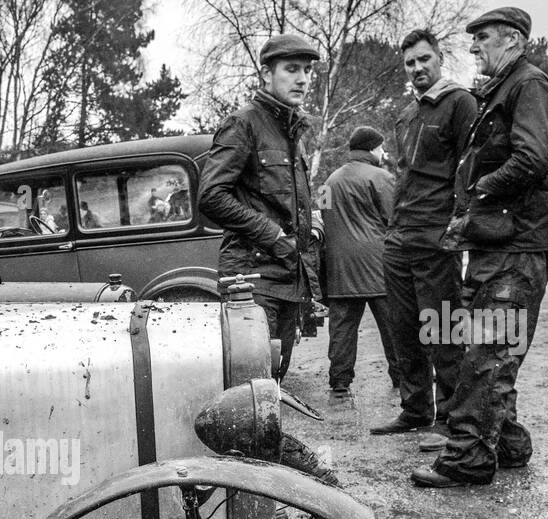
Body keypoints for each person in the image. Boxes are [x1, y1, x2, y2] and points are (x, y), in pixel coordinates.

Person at [410, 6, 548, 488]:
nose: (474, 47)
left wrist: (479, 191)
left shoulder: (528, 85)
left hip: (518, 245)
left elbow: (533, 158)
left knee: (489, 351)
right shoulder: (502, 89)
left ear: (513, 40)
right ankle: (508, 443)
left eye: (483, 38)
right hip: (502, 243)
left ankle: (467, 459)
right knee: (493, 346)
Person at [371, 27, 478, 442]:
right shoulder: (407, 114)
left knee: (442, 327)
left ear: (439, 59)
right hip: (400, 238)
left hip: (437, 236)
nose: (417, 68)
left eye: (424, 60)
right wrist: (393, 228)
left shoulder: (461, 104)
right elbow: (404, 177)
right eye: (410, 63)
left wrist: (457, 225)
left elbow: (472, 169)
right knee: (404, 328)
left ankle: (451, 419)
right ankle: (415, 410)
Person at [199, 33, 324, 380]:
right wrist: (270, 233)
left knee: (275, 380)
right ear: (267, 75)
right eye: (292, 69)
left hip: (286, 278)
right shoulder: (244, 123)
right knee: (253, 387)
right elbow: (211, 196)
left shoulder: (291, 132)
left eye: (307, 71)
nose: (302, 79)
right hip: (251, 281)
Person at [321, 126, 397, 395]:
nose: (384, 152)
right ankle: (401, 377)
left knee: (341, 328)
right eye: (381, 147)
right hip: (378, 266)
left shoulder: (329, 181)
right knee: (393, 327)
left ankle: (339, 381)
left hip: (339, 268)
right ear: (372, 149)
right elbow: (394, 219)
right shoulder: (382, 178)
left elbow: (324, 217)